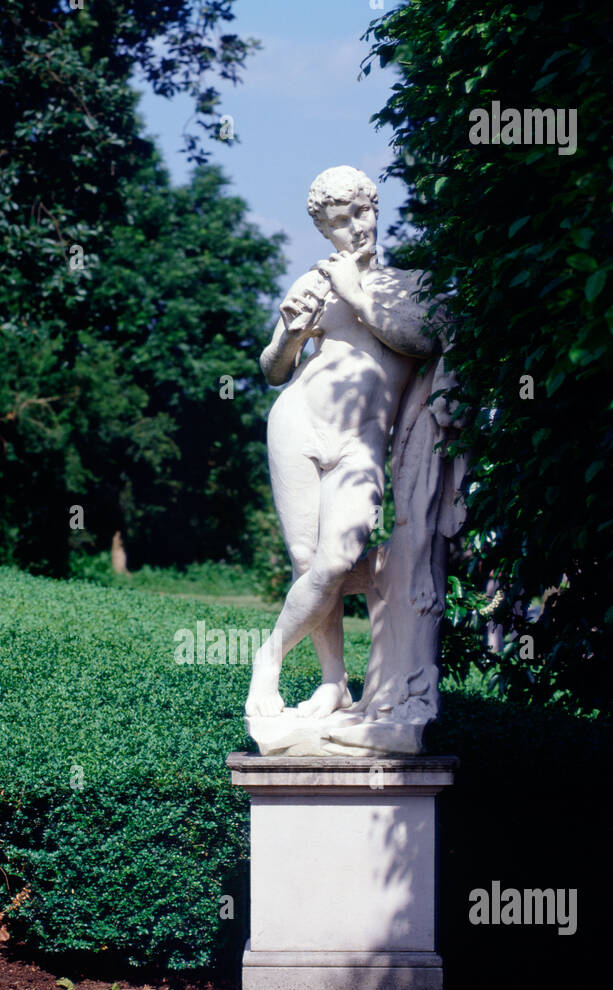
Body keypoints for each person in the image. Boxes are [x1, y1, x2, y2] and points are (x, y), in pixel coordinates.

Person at [246, 165, 443, 721]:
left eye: (361, 212)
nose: (355, 228)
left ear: (374, 207)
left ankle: (269, 657)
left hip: (361, 446)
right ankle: (333, 683)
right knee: (306, 560)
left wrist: (356, 295)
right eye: (340, 222)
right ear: (325, 231)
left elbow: (424, 339)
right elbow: (273, 370)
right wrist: (289, 332)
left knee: (332, 563)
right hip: (297, 423)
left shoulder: (408, 285)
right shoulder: (315, 283)